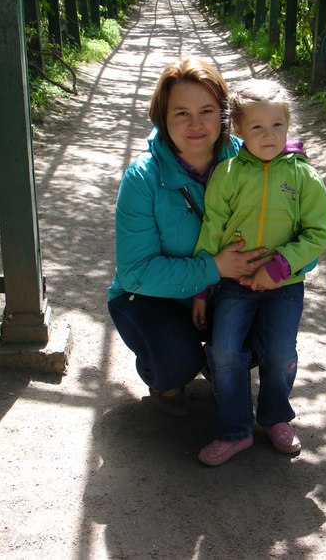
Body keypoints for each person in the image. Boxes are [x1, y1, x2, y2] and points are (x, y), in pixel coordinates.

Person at [107, 57, 269, 417]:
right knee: (177, 360)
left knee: (273, 328)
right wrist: (214, 268)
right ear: (162, 118)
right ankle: (166, 375)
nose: (196, 125)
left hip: (226, 292)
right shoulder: (143, 177)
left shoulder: (250, 161)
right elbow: (135, 272)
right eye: (181, 113)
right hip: (153, 298)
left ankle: (219, 360)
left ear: (224, 115)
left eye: (207, 111)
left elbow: (300, 223)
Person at [192, 79, 326, 465]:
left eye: (277, 125)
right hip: (234, 283)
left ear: (288, 125)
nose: (269, 135)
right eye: (256, 126)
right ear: (238, 129)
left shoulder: (303, 175)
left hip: (285, 285)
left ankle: (275, 417)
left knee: (280, 352)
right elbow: (211, 231)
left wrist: (281, 265)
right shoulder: (228, 174)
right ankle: (234, 430)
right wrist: (202, 288)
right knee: (224, 351)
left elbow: (320, 230)